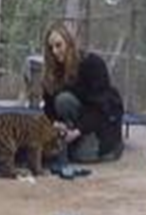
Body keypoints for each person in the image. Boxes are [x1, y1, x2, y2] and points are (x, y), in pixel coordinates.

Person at [41, 23, 125, 163]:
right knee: (62, 102)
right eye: (51, 48)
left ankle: (112, 146)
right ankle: (74, 142)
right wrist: (55, 123)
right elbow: (48, 107)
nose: (54, 51)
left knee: (80, 156)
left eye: (58, 45)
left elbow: (100, 108)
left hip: (101, 120)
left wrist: (77, 131)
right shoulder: (52, 72)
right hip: (75, 121)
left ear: (69, 42)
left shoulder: (93, 64)